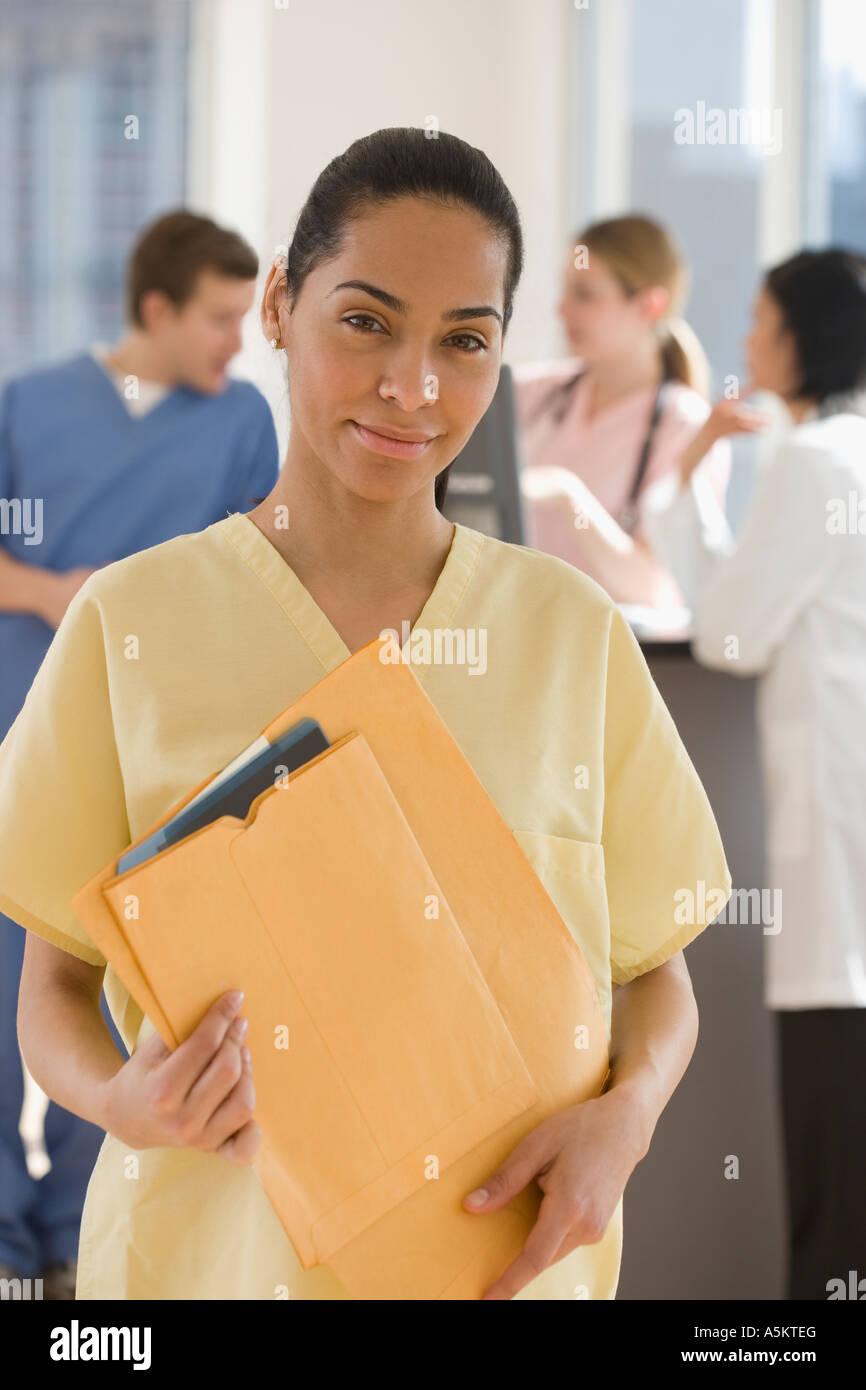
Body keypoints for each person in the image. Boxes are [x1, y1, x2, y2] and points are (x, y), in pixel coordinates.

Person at [0, 127, 731, 1301]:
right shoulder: (131, 623)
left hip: (500, 1267)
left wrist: (628, 1116)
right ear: (281, 307)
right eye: (365, 321)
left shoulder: (566, 631)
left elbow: (655, 974)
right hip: (209, 1265)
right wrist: (115, 1100)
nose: (412, 387)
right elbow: (49, 990)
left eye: (464, 341)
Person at [0, 209, 280, 1297]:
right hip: (27, 723)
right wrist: (56, 594)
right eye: (218, 317)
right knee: (20, 984)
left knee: (128, 995)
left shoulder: (243, 421)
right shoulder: (29, 406)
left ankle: (79, 1231)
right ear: (155, 310)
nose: (236, 341)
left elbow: (264, 560)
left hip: (167, 755)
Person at [640, 248, 866, 1300]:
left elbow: (726, 631)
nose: (743, 338)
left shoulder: (819, 459)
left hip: (835, 857)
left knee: (833, 1168)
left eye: (761, 319)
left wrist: (691, 476)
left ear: (803, 336)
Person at [512, 214, 731, 608]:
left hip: (610, 658)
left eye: (584, 295)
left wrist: (568, 494)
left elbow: (658, 589)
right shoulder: (531, 393)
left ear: (649, 305)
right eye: (566, 291)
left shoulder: (687, 429)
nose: (562, 310)